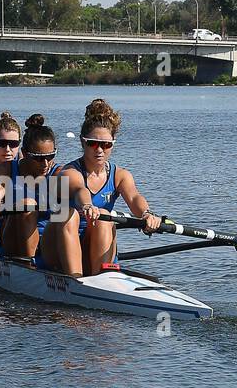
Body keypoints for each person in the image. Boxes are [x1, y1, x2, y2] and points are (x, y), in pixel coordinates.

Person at [49, 98, 161, 276]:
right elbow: (80, 190)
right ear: (82, 142)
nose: (99, 150)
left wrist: (147, 214)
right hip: (57, 249)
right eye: (93, 143)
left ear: (113, 144)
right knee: (70, 215)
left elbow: (134, 198)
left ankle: (101, 279)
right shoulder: (68, 172)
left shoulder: (120, 175)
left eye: (106, 144)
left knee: (104, 217)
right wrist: (87, 206)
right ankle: (75, 278)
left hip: (93, 244)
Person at [0, 114, 61, 264]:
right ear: (24, 153)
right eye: (38, 158)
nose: (45, 164)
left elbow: (76, 189)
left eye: (50, 156)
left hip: (48, 242)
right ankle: (29, 267)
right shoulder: (6, 168)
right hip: (13, 241)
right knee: (27, 203)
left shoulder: (58, 172)